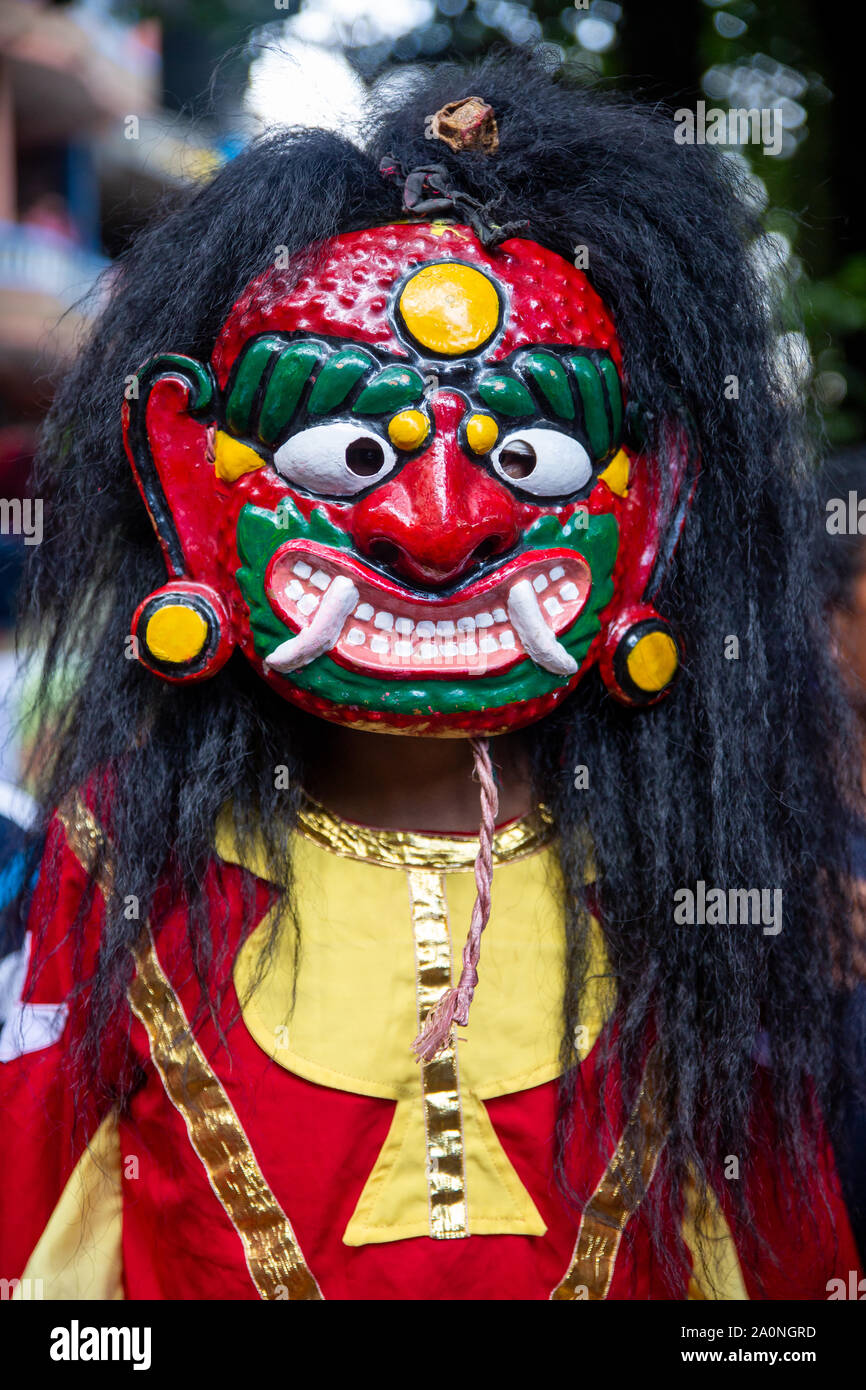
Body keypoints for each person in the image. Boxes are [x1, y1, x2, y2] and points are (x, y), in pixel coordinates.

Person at [0, 55, 861, 1301]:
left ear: (650, 507)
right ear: (189, 481)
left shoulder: (685, 863)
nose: (441, 524)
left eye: (532, 454)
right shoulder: (124, 848)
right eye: (346, 450)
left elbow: (775, 1260)